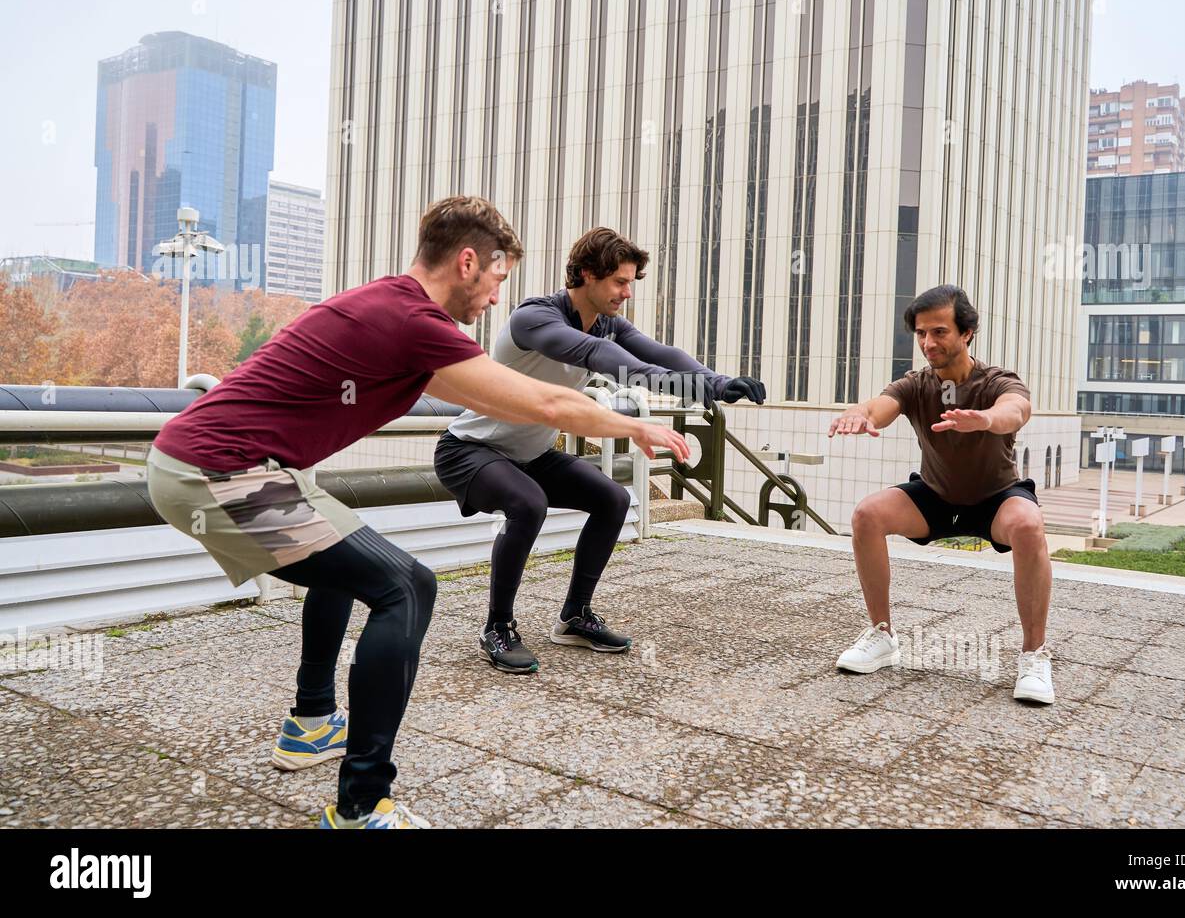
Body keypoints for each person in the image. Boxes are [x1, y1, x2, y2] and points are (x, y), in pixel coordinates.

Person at [146, 198, 690, 829]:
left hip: (222, 466)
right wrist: (631, 424)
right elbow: (544, 400)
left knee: (343, 559)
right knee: (405, 587)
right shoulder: (415, 321)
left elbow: (512, 401)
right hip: (220, 473)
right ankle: (361, 806)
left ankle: (313, 722)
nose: (494, 301)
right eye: (496, 281)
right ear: (467, 263)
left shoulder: (395, 311)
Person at [435, 227, 766, 673]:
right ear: (587, 275)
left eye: (631, 283)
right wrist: (702, 386)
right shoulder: (534, 318)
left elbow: (662, 352)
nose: (627, 293)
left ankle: (574, 617)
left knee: (613, 499)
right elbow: (602, 357)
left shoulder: (608, 322)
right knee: (527, 504)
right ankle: (497, 626)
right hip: (470, 449)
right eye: (619, 282)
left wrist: (720, 382)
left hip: (530, 454)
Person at [827, 284, 1054, 704]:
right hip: (936, 497)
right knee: (867, 515)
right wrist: (859, 413)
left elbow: (1016, 411)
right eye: (921, 334)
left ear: (967, 333)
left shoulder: (997, 381)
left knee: (1027, 524)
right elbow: (883, 405)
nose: (928, 343)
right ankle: (882, 636)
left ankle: (1034, 655)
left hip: (996, 499)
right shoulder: (916, 384)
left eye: (939, 332)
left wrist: (984, 419)